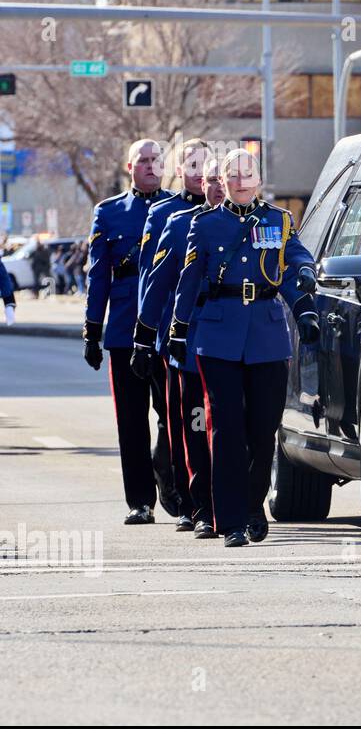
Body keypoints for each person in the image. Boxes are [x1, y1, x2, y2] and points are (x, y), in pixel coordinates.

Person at [169, 149, 320, 547]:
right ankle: (231, 520)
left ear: (258, 180)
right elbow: (189, 278)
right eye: (231, 175)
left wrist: (305, 301)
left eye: (245, 174)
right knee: (226, 429)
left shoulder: (278, 220)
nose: (238, 182)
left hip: (267, 336)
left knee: (263, 430)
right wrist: (178, 327)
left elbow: (292, 262)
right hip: (218, 335)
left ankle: (253, 504)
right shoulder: (205, 224)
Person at [83, 138, 176, 524]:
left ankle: (169, 479)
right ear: (129, 166)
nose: (151, 166)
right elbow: (98, 275)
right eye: (143, 160)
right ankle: (140, 501)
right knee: (131, 421)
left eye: (157, 160)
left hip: (169, 331)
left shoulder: (181, 208)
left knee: (173, 416)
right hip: (124, 330)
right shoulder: (109, 213)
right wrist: (92, 330)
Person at [131, 139, 213, 532]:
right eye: (191, 165)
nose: (199, 173)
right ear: (179, 171)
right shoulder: (164, 213)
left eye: (205, 165)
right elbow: (152, 281)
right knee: (178, 421)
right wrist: (147, 337)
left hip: (219, 334)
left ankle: (221, 497)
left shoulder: (230, 213)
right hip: (175, 337)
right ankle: (182, 499)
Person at [2, 255, 15, 325]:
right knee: (9, 305)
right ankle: (10, 322)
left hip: (7, 293)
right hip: (7, 294)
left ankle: (10, 321)